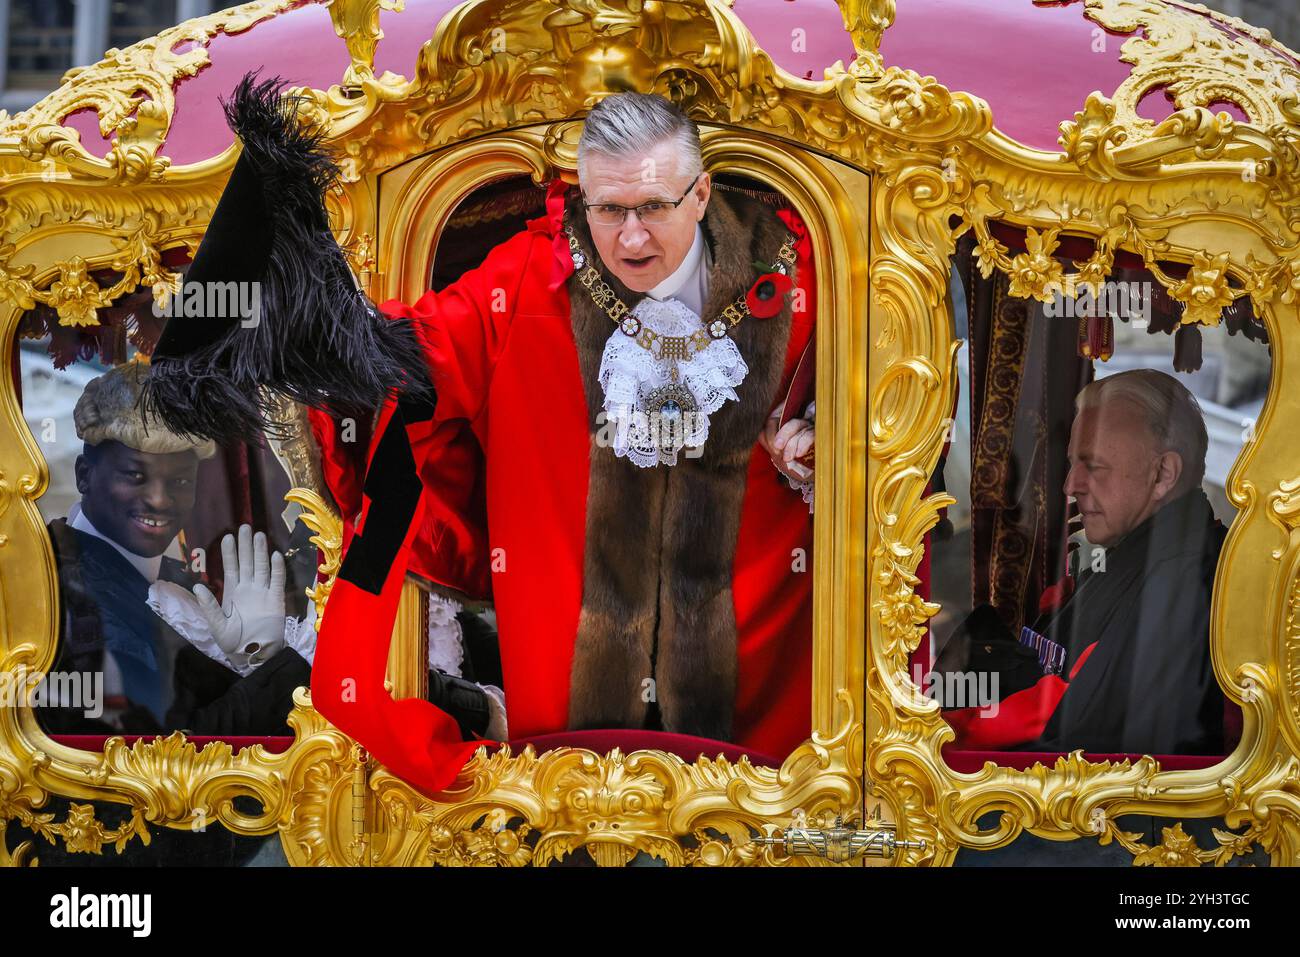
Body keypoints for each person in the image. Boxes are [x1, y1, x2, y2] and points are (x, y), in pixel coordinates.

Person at [142, 74, 817, 792]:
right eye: (608, 210)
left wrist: (820, 443)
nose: (631, 236)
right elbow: (404, 369)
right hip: (564, 757)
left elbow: (895, 416)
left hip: (768, 745)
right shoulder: (527, 281)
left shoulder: (805, 286)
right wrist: (292, 294)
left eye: (653, 206)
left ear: (702, 194)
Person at [940, 369, 1227, 755]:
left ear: (1163, 474)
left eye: (1092, 466)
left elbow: (1073, 744)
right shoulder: (1134, 560)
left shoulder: (1181, 582)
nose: (1070, 485)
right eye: (1074, 463)